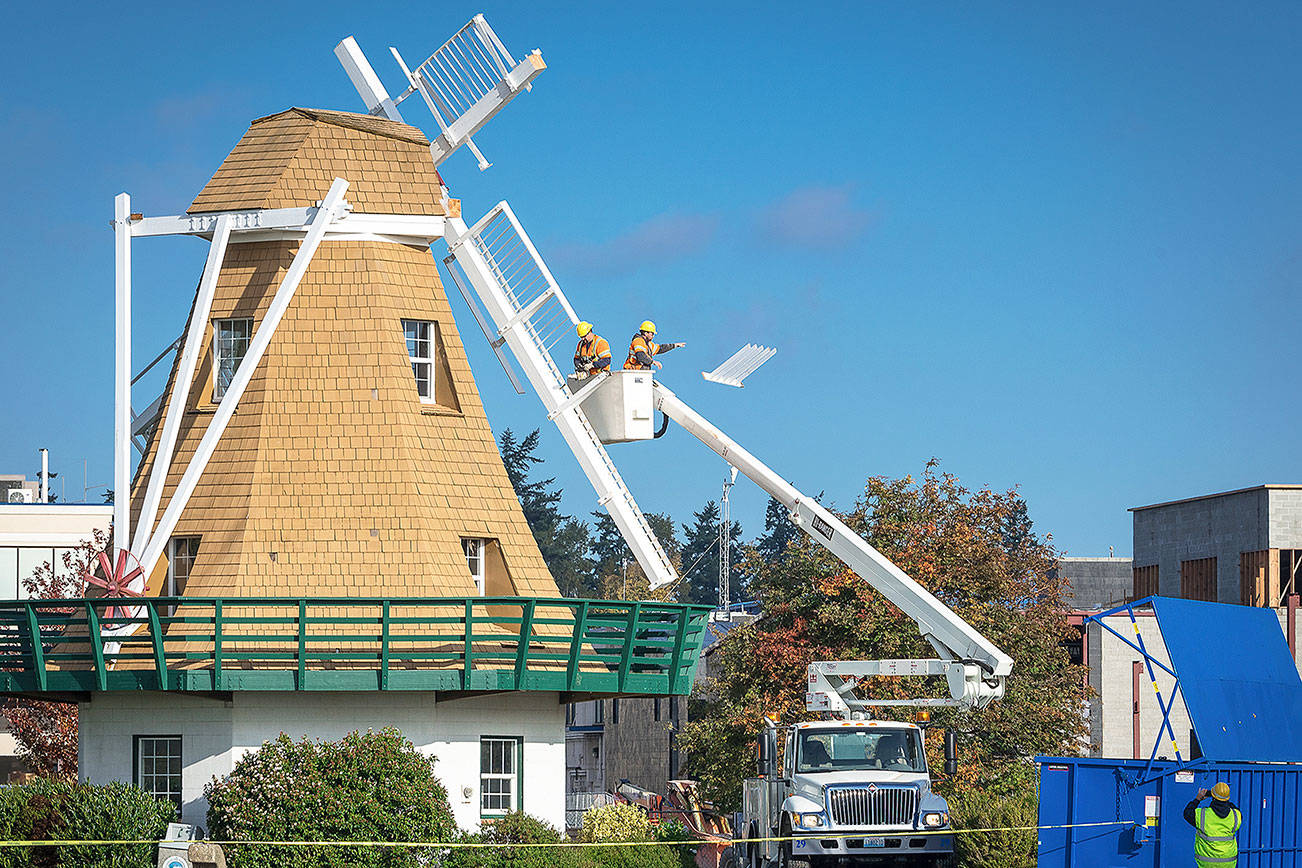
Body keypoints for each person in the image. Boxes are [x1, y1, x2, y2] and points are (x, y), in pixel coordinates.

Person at [1184, 782, 1241, 868]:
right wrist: (1223, 799)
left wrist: (1197, 799)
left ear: (1213, 797)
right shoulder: (1235, 815)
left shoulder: (1202, 815)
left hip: (1207, 863)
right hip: (1228, 863)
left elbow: (1187, 812)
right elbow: (1233, 807)